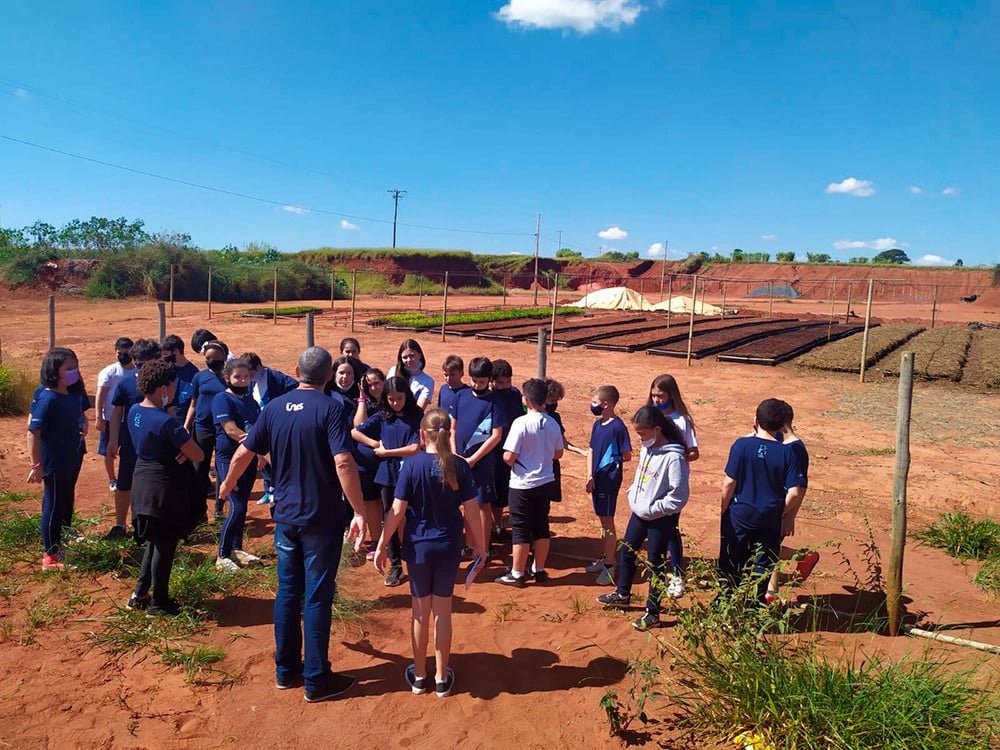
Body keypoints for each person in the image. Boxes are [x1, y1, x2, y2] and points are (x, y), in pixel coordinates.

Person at [220, 346, 366, 703]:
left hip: (285, 517)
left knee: (288, 591)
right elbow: (343, 462)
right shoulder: (332, 408)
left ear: (297, 372)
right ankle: (316, 679)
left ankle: (286, 671)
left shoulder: (273, 408)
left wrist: (226, 484)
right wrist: (359, 511)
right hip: (321, 518)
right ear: (329, 376)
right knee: (316, 596)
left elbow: (244, 451)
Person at [374, 408, 486, 698]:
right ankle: (441, 678)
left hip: (418, 547)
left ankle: (420, 676)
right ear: (449, 434)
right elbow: (472, 510)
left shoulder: (411, 466)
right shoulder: (460, 466)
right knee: (443, 613)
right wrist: (481, 546)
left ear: (422, 435)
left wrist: (381, 545)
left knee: (420, 613)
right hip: (448, 546)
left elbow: (397, 510)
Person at [597, 406, 690, 630]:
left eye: (643, 433)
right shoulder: (647, 448)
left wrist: (653, 508)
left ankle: (653, 613)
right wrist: (634, 495)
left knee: (655, 563)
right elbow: (641, 475)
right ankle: (622, 594)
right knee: (627, 552)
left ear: (657, 430)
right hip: (640, 513)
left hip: (661, 518)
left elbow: (679, 496)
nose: (640, 438)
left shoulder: (674, 458)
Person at [126, 360, 204, 616]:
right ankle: (159, 603)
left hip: (142, 482)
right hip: (164, 487)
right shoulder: (167, 422)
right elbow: (198, 454)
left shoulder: (134, 411)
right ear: (162, 389)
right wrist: (183, 446)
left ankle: (140, 593)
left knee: (155, 540)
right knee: (165, 544)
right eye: (171, 386)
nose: (173, 390)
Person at [719, 399, 807, 605]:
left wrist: (724, 509)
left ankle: (726, 604)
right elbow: (795, 491)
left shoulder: (741, 445)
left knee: (731, 561)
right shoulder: (787, 452)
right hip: (769, 518)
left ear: (756, 420)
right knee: (762, 565)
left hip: (739, 514)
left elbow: (729, 482)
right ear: (782, 425)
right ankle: (756, 605)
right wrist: (780, 512)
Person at [352, 376, 422, 586]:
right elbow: (355, 431)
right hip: (388, 475)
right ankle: (396, 565)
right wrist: (374, 444)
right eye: (391, 399)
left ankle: (416, 560)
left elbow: (415, 448)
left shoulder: (416, 415)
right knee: (389, 516)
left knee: (413, 516)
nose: (395, 403)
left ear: (406, 396)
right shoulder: (383, 415)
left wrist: (387, 452)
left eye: (399, 398)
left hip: (410, 473)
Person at [495, 378, 564, 588]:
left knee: (520, 528)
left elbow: (509, 457)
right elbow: (558, 453)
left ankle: (517, 573)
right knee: (541, 525)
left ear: (526, 400)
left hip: (523, 484)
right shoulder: (552, 422)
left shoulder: (520, 423)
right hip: (546, 481)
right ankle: (539, 569)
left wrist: (516, 458)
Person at [27, 348, 88, 570]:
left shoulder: (68, 395)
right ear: (54, 372)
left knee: (62, 502)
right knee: (53, 506)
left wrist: (82, 423)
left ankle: (59, 545)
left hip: (70, 458)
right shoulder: (49, 398)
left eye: (75, 367)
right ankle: (50, 557)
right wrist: (36, 465)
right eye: (69, 369)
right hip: (55, 461)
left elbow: (77, 416)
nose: (74, 372)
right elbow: (33, 432)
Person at [447, 357, 504, 562]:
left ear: (489, 380)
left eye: (482, 382)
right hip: (460, 460)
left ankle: (483, 548)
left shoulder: (495, 402)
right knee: (466, 503)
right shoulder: (461, 396)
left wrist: (473, 459)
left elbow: (496, 436)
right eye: (474, 380)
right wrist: (455, 454)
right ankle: (470, 546)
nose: (477, 385)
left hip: (482, 463)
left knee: (481, 504)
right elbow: (452, 428)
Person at [646, 373, 698, 597]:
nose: (656, 400)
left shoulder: (682, 420)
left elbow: (694, 452)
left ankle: (678, 575)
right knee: (654, 528)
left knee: (670, 529)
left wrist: (674, 460)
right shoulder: (650, 417)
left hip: (673, 485)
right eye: (653, 395)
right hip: (652, 482)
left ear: (671, 395)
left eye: (660, 396)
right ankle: (657, 573)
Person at [106, 339, 162, 540]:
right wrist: (113, 440)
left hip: (155, 443)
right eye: (138, 362)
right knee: (124, 482)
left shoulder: (165, 383)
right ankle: (120, 525)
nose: (141, 366)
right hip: (130, 442)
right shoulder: (126, 384)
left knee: (152, 484)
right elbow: (116, 414)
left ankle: (148, 525)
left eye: (145, 361)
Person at [212, 359, 261, 572]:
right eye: (237, 377)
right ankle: (222, 555)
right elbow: (230, 430)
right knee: (237, 505)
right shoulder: (222, 399)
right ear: (227, 378)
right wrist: (256, 445)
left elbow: (260, 428)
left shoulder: (251, 401)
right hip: (228, 459)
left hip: (248, 458)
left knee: (242, 505)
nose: (242, 381)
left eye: (245, 377)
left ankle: (236, 549)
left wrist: (258, 450)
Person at [765, 402, 817, 604]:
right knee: (767, 546)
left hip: (782, 507)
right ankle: (802, 557)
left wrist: (790, 516)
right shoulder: (778, 441)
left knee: (767, 548)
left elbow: (800, 488)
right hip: (772, 504)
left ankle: (772, 593)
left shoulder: (797, 450)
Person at [585, 385, 632, 586]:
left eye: (594, 402)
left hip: (609, 481)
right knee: (603, 521)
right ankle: (607, 557)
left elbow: (627, 455)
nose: (592, 405)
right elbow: (591, 450)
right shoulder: (597, 425)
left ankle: (610, 566)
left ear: (605, 404)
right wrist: (590, 475)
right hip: (596, 480)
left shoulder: (618, 427)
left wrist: (611, 463)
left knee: (608, 522)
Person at [241, 352, 298, 505]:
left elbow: (296, 388)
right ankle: (268, 491)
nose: (248, 378)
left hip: (277, 426)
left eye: (250, 374)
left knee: (278, 459)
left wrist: (283, 409)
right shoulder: (251, 383)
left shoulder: (276, 378)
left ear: (259, 367)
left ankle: (283, 490)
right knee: (263, 461)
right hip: (260, 425)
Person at [184, 340, 229, 520]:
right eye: (208, 358)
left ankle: (219, 506)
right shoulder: (199, 377)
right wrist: (186, 425)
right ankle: (200, 510)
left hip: (223, 428)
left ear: (224, 357)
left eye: (216, 357)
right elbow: (193, 404)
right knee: (199, 469)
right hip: (202, 427)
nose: (212, 361)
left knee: (221, 467)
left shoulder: (229, 377)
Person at [94, 337, 135, 493]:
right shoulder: (109, 372)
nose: (123, 356)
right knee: (108, 451)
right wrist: (99, 417)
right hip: (110, 419)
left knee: (129, 450)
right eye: (119, 353)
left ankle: (129, 477)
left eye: (126, 353)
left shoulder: (138, 371)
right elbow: (100, 395)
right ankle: (112, 478)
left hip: (130, 420)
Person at [489, 359, 522, 541]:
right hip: (490, 452)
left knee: (503, 492)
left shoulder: (515, 394)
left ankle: (498, 525)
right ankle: (490, 527)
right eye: (500, 382)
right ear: (492, 381)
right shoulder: (488, 397)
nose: (505, 386)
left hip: (510, 450)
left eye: (508, 381)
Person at [354, 368, 387, 553]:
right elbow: (358, 426)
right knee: (371, 501)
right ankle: (375, 541)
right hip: (366, 462)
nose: (373, 388)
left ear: (384, 382)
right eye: (369, 385)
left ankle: (393, 541)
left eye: (376, 383)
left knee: (390, 502)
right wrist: (361, 398)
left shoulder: (392, 400)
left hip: (387, 460)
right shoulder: (364, 404)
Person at [387, 339, 434, 410]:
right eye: (405, 357)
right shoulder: (393, 371)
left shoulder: (428, 381)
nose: (409, 360)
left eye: (412, 355)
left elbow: (419, 410)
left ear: (420, 355)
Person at [163, 335, 199, 423]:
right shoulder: (166, 369)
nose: (164, 357)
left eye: (166, 354)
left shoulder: (194, 373)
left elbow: (193, 401)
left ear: (176, 351)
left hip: (183, 418)